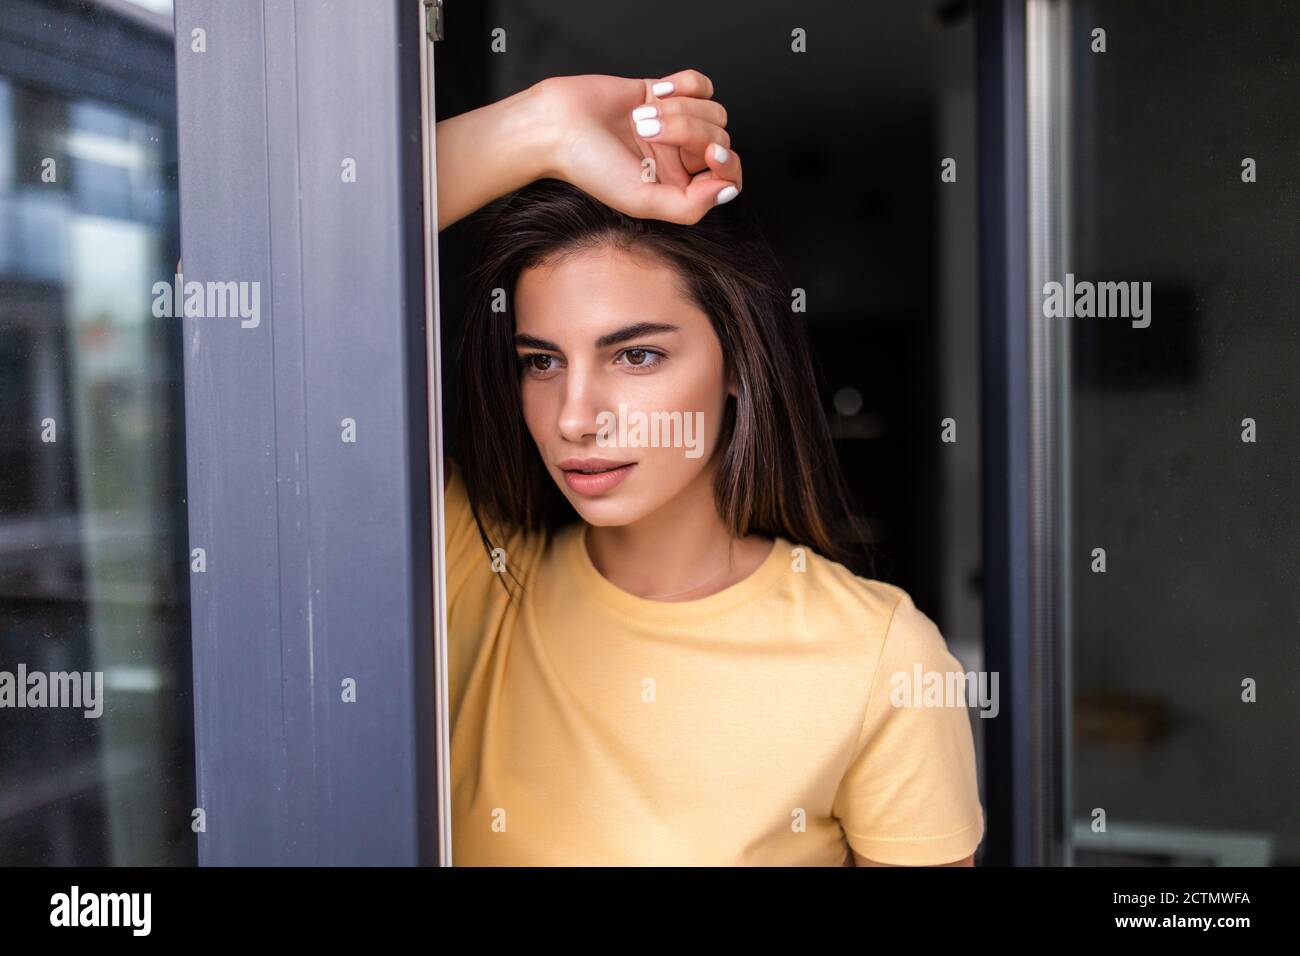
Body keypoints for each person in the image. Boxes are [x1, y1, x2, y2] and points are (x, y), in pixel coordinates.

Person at [435, 69, 984, 866]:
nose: (576, 416)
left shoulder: (881, 659)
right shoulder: (475, 570)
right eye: (543, 361)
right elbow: (294, 253)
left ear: (737, 364)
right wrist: (541, 127)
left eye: (637, 354)